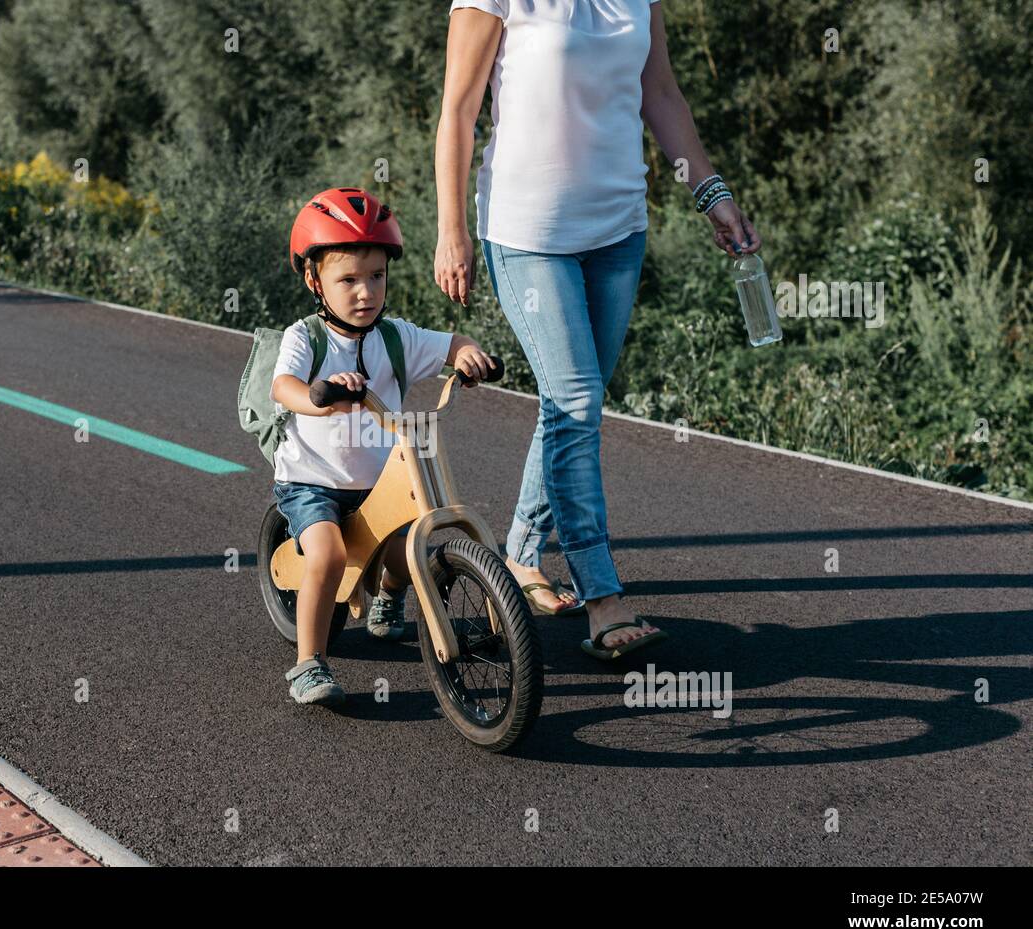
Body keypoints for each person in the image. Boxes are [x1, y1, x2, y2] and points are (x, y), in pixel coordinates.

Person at [434, 0, 762, 659]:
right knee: (576, 400)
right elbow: (459, 111)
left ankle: (522, 555)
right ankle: (604, 599)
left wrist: (711, 192)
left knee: (571, 404)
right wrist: (451, 231)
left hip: (618, 232)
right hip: (529, 234)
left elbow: (660, 92)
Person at [272, 186, 496, 704]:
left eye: (375, 276)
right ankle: (309, 663)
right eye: (347, 279)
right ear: (314, 280)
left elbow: (451, 341)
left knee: (410, 546)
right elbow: (282, 386)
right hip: (314, 480)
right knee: (326, 554)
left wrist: (467, 355)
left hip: (376, 481)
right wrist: (317, 397)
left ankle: (387, 603)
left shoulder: (395, 336)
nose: (364, 291)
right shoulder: (306, 337)